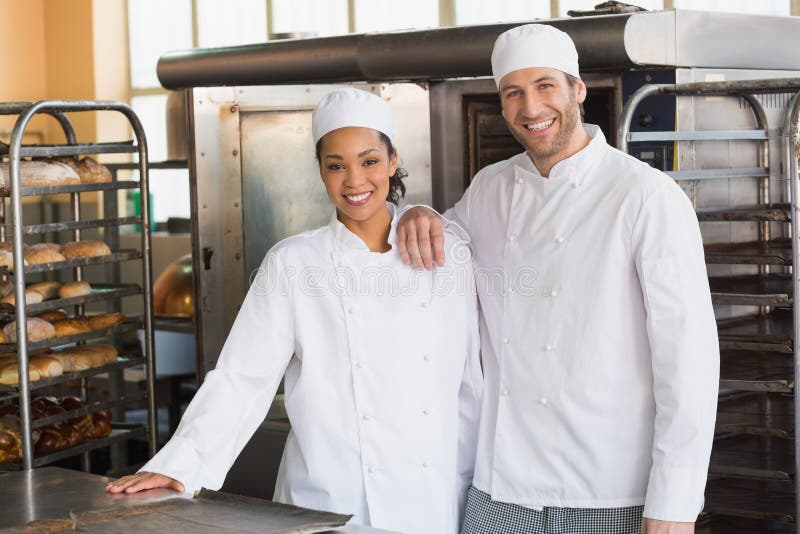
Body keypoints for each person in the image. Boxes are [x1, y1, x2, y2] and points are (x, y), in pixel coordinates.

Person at [106, 88, 483, 534]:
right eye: (336, 165)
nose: (354, 181)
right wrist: (182, 464)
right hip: (326, 497)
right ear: (320, 170)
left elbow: (469, 384)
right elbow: (242, 378)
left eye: (369, 161)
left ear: (393, 160)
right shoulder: (294, 262)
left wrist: (476, 486)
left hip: (429, 498)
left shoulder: (446, 255)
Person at [396, 24, 719, 534]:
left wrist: (676, 502)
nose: (531, 108)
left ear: (577, 90)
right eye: (513, 93)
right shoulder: (490, 188)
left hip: (610, 489)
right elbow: (440, 240)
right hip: (502, 488)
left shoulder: (646, 198)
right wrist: (415, 211)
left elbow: (690, 363)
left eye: (545, 85)